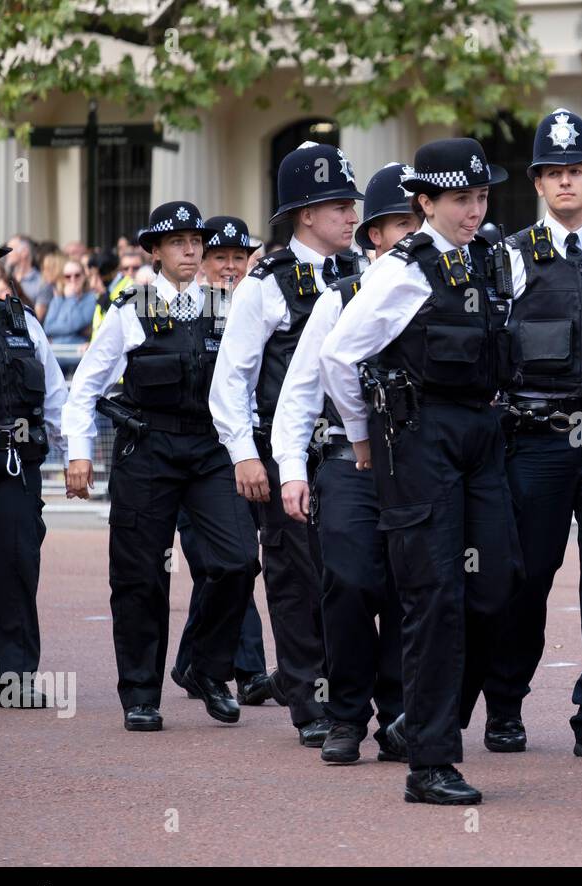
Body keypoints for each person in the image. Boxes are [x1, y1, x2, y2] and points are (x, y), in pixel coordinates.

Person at [320, 138, 523, 804]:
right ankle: (430, 764)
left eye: (482, 196)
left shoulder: (495, 262)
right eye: (460, 199)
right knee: (435, 597)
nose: (473, 210)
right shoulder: (401, 271)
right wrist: (364, 439)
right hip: (421, 437)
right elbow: (338, 356)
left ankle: (418, 721)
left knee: (498, 585)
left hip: (483, 435)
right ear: (425, 202)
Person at [478, 108, 582, 759]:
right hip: (535, 438)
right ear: (539, 183)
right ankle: (504, 704)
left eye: (576, 170)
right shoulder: (509, 259)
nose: (566, 182)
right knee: (525, 578)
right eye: (554, 173)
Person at [63, 201, 261, 732]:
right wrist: (78, 452)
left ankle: (205, 667)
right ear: (155, 251)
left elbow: (245, 384)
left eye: (197, 241)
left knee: (238, 560)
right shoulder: (130, 309)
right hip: (147, 452)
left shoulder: (228, 306)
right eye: (178, 243)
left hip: (211, 451)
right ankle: (141, 693)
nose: (192, 251)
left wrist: (250, 450)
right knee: (139, 576)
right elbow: (85, 388)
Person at [209, 141, 364, 747]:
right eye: (339, 206)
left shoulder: (367, 273)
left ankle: (356, 692)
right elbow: (232, 377)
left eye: (353, 205)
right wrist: (245, 453)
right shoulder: (266, 285)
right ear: (306, 214)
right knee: (296, 581)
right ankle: (312, 701)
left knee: (353, 577)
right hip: (289, 450)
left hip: (352, 453)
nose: (353, 216)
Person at [273, 163, 418, 764]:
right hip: (349, 462)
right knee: (352, 583)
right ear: (374, 236)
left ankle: (402, 714)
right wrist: (291, 469)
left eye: (418, 221)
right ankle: (346, 715)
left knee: (411, 592)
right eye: (398, 224)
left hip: (415, 463)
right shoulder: (341, 298)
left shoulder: (443, 290)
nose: (410, 234)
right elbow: (300, 392)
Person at [168, 215, 271, 707]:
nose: (230, 267)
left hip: (254, 452)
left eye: (239, 257)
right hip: (199, 456)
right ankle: (248, 669)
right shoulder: (182, 312)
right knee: (228, 562)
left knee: (229, 565)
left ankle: (193, 662)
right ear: (203, 262)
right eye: (220, 257)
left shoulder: (263, 304)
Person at [0, 220, 68, 707]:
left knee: (13, 570)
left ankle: (15, 681)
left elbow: (55, 393)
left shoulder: (21, 319)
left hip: (11, 464)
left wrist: (73, 457)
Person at [41, 260, 96, 374]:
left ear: (84, 276)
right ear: (63, 279)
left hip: (79, 356)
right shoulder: (58, 298)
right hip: (56, 357)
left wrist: (71, 299)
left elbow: (77, 324)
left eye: (77, 275)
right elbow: (48, 327)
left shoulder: (91, 298)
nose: (73, 280)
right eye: (68, 276)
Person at [6, 235, 47, 309]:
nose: (7, 254)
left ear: (24, 252)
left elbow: (36, 317)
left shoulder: (41, 282)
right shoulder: (5, 278)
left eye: (10, 249)